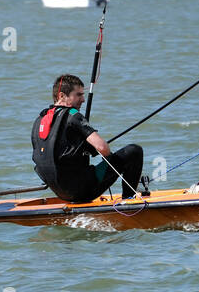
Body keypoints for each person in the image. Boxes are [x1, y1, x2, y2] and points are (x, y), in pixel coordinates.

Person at [32, 74, 145, 203]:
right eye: (78, 95)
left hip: (60, 193)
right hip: (81, 191)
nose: (83, 100)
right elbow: (102, 147)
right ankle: (130, 202)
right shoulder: (73, 115)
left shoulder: (39, 120)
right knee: (133, 151)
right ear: (62, 96)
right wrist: (109, 158)